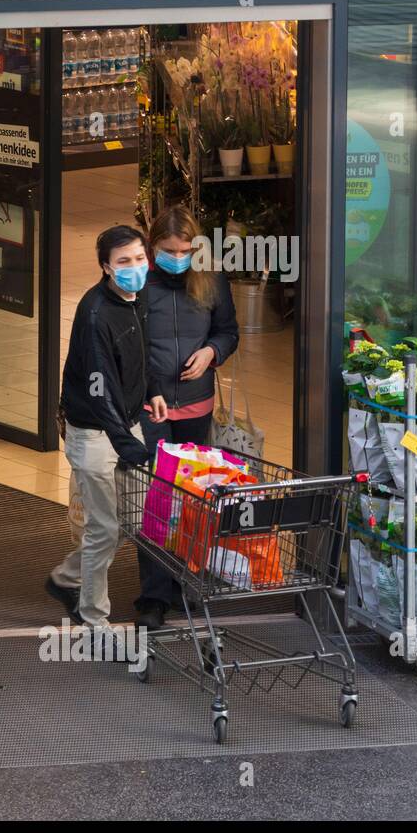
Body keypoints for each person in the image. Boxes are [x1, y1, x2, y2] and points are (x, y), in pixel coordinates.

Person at [133, 205, 239, 630]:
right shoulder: (138, 282)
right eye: (167, 250)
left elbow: (228, 331)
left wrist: (212, 352)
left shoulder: (211, 280)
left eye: (184, 251)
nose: (176, 258)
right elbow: (127, 342)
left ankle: (183, 581)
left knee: (193, 496)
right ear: (152, 246)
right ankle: (154, 595)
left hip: (197, 403)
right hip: (151, 406)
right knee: (159, 498)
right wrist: (150, 388)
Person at [46, 226, 152, 630]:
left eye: (139, 258)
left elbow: (140, 354)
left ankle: (68, 577)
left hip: (126, 424)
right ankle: (94, 619)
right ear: (106, 266)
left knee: (134, 521)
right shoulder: (94, 314)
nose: (134, 267)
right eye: (123, 261)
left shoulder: (136, 299)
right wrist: (126, 443)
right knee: (104, 527)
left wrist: (153, 393)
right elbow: (99, 387)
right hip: (94, 433)